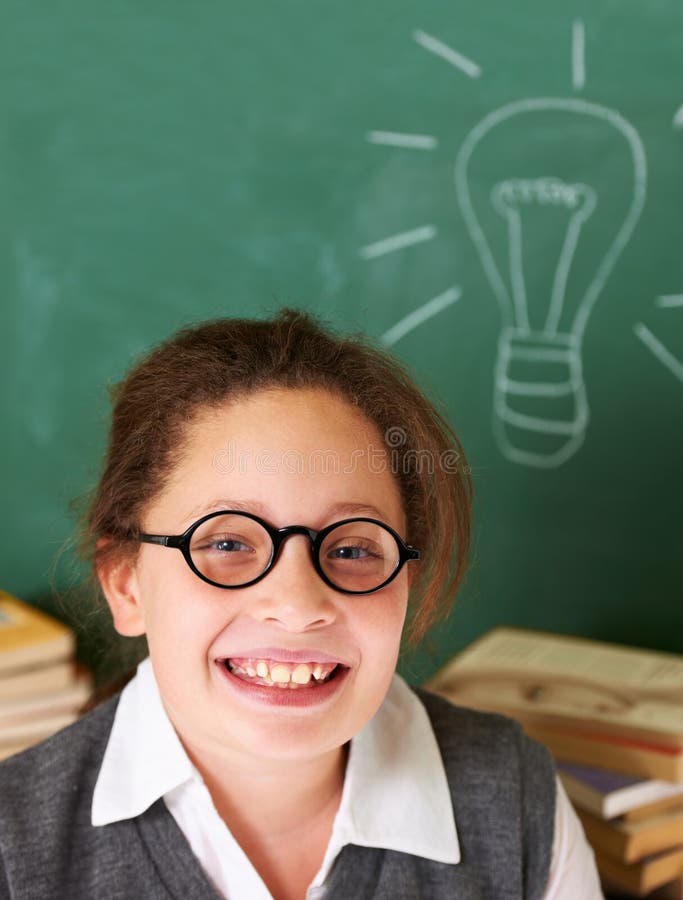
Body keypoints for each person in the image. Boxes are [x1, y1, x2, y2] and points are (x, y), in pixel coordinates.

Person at [0, 309, 603, 900]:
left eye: (353, 549)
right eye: (228, 542)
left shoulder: (518, 804)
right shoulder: (15, 849)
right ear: (125, 584)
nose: (296, 605)